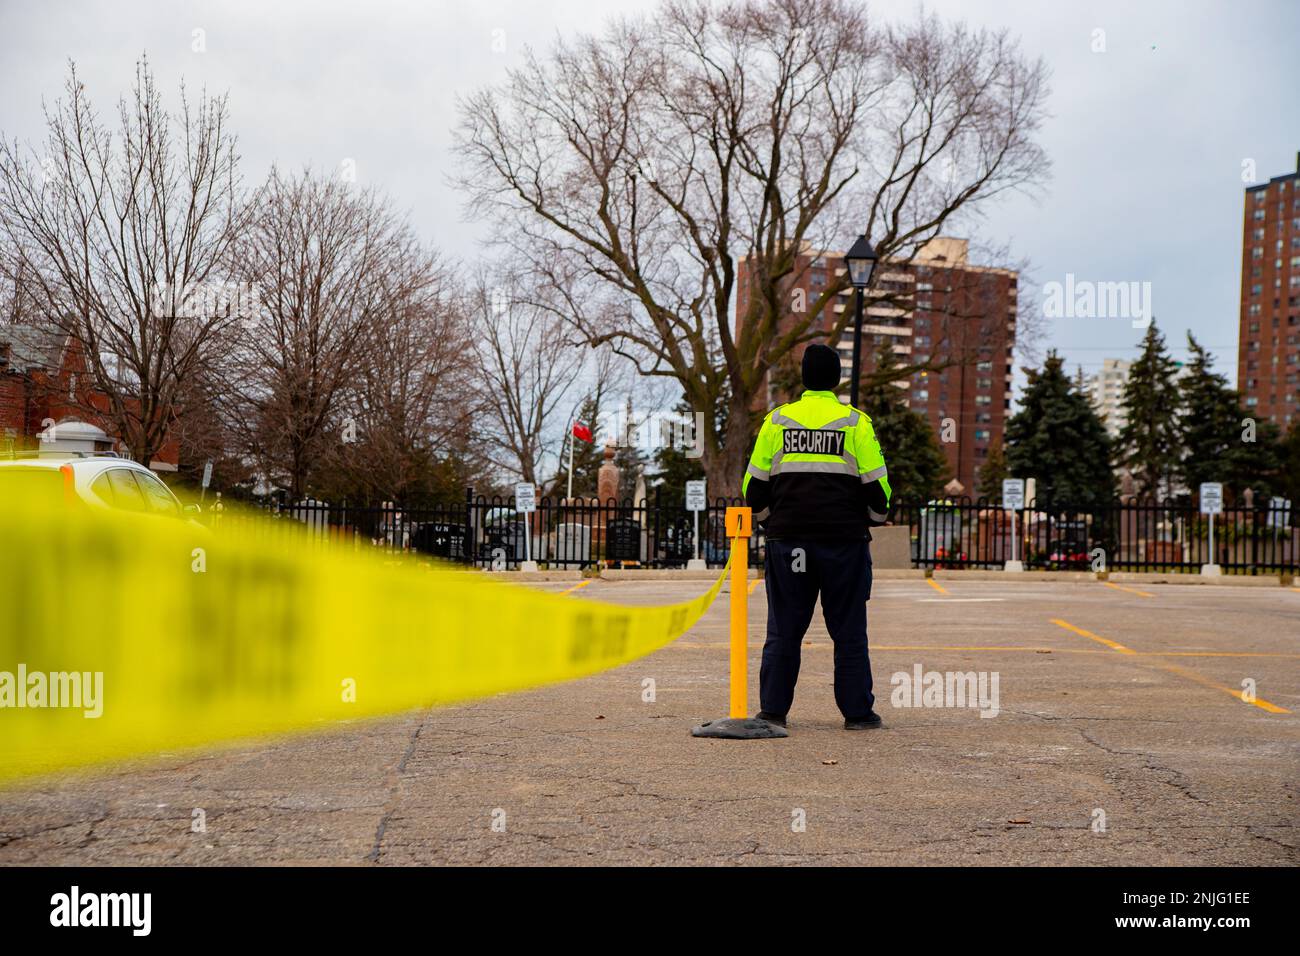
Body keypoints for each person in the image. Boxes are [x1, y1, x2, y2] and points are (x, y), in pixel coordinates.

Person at [742, 343, 891, 731]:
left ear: (804, 378)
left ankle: (773, 711)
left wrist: (770, 522)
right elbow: (880, 493)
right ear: (837, 379)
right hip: (843, 543)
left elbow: (753, 489)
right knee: (849, 631)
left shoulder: (777, 422)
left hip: (789, 542)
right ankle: (857, 713)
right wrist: (869, 520)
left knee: (784, 629)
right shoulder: (855, 422)